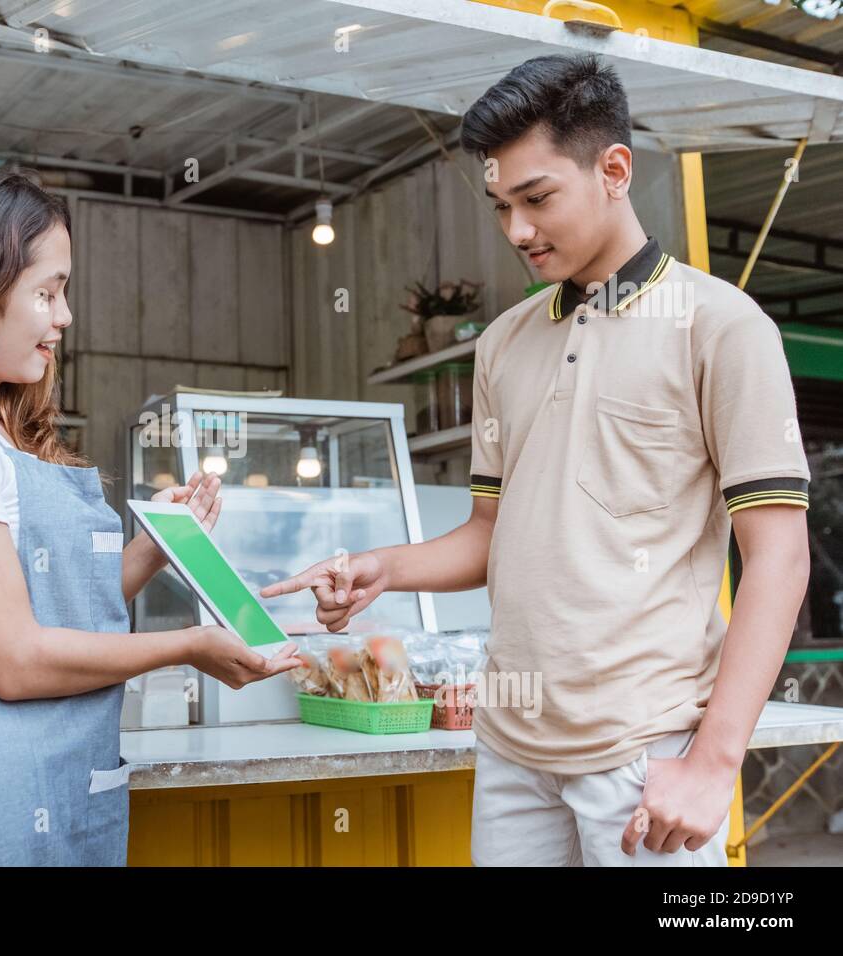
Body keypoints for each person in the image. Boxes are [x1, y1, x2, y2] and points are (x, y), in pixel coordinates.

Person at [262, 54, 811, 867]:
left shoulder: (722, 327)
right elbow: (490, 532)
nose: (517, 230)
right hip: (511, 748)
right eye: (500, 206)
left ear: (615, 169)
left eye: (537, 198)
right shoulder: (502, 344)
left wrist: (712, 761)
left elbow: (779, 556)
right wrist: (382, 565)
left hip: (643, 751)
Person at [0, 165, 301, 866]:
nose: (64, 317)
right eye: (47, 291)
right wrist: (187, 645)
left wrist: (154, 550)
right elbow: (13, 660)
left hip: (44, 789)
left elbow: (55, 609)